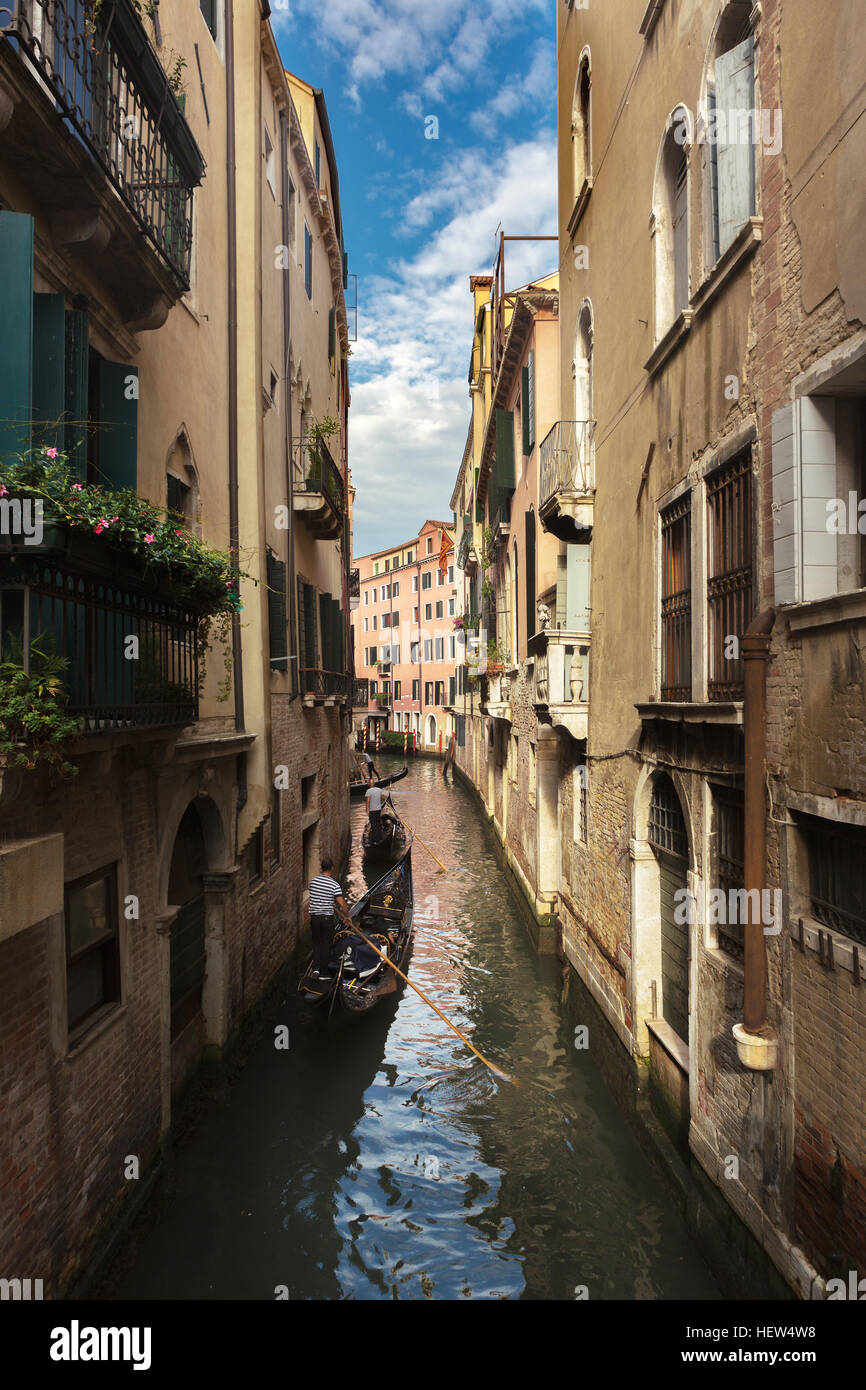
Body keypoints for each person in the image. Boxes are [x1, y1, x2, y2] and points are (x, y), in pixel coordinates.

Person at [308, 855, 353, 978]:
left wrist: (326, 900)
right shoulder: (334, 885)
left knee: (316, 943)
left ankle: (315, 969)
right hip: (326, 918)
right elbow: (342, 904)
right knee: (326, 943)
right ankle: (324, 972)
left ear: (321, 868)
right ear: (332, 868)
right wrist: (347, 916)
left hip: (314, 917)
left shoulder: (313, 882)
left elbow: (316, 895)